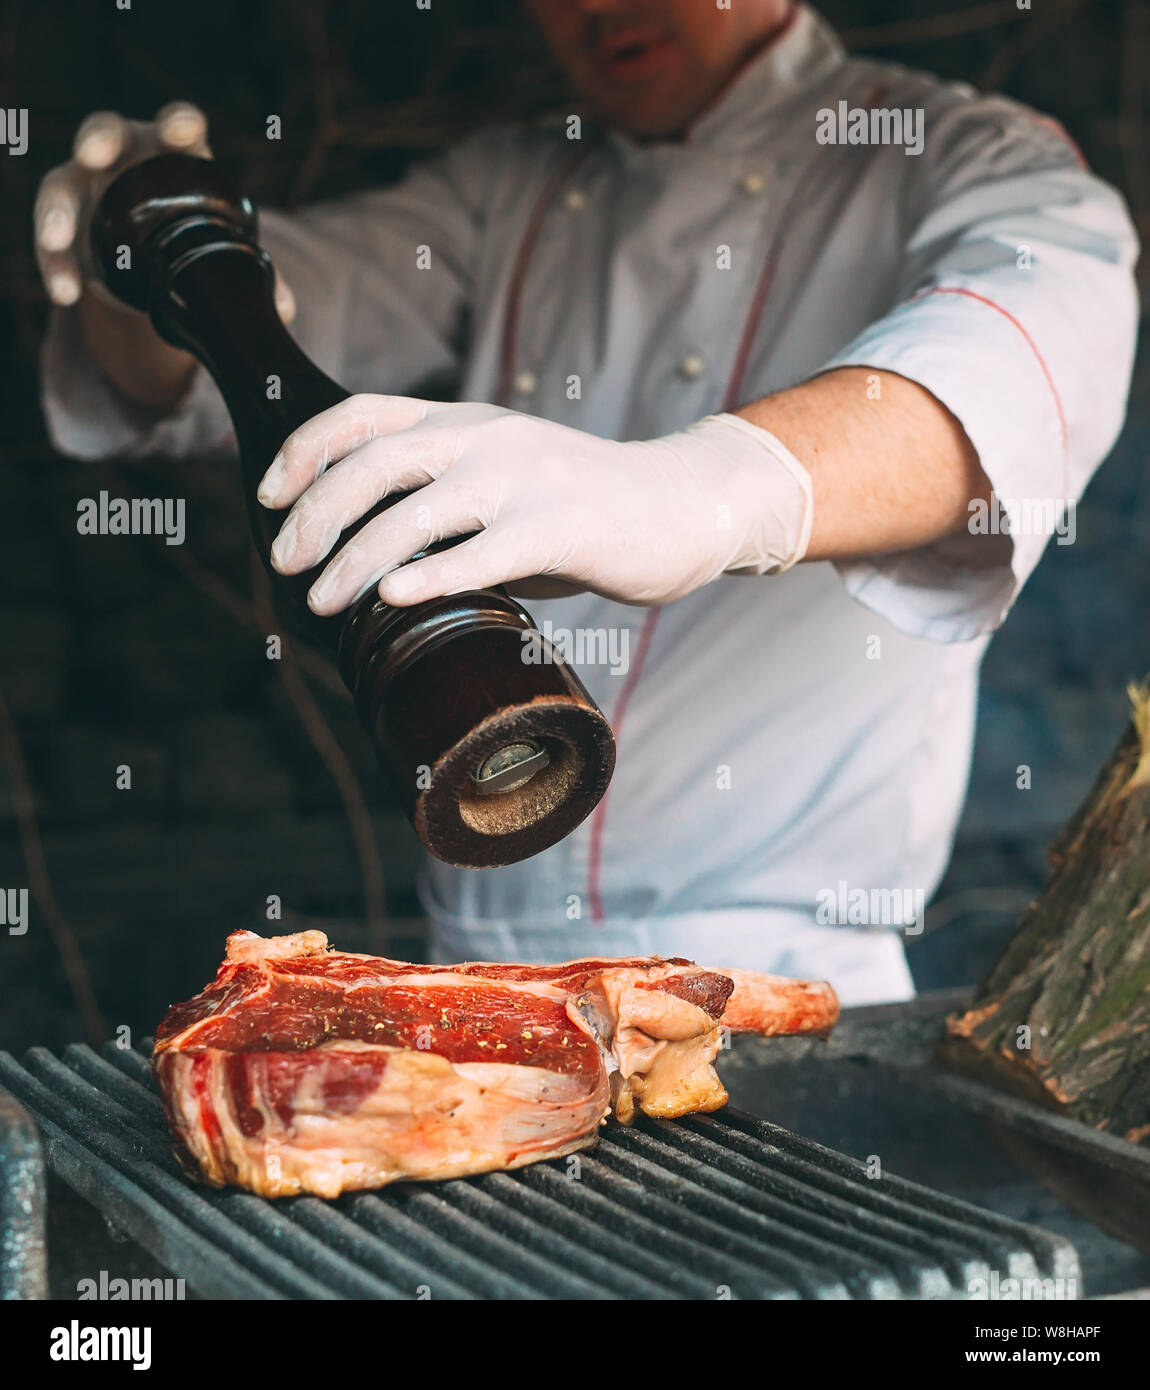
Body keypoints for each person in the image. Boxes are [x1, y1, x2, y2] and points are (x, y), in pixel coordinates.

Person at [36, 1, 1139, 1004]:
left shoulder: (962, 153)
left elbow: (1019, 360)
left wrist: (700, 489)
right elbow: (234, 355)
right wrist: (136, 271)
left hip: (779, 991)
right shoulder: (511, 186)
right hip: (476, 980)